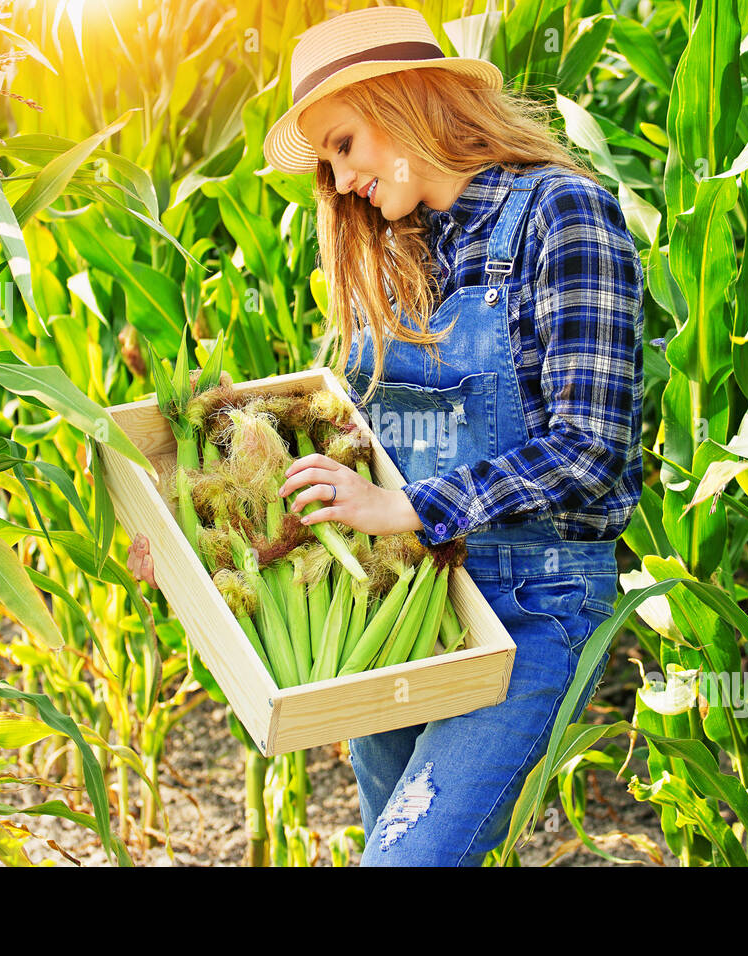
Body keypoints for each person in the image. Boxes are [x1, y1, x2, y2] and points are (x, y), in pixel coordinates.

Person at [129, 4, 644, 866]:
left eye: (344, 144)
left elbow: (592, 448)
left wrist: (407, 507)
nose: (340, 180)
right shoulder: (391, 256)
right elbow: (349, 459)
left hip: (532, 605)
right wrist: (194, 541)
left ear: (405, 100)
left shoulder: (563, 214)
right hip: (399, 608)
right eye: (327, 162)